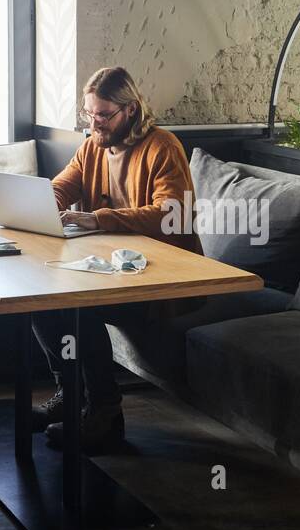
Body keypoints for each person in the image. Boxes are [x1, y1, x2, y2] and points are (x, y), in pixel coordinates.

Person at [33, 66, 199, 453]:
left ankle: (105, 415)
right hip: (111, 272)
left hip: (162, 279)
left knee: (83, 306)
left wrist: (97, 218)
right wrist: (44, 205)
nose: (95, 123)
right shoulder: (93, 145)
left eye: (104, 115)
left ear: (130, 110)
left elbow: (172, 215)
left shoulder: (163, 147)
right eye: (89, 114)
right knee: (39, 297)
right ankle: (70, 393)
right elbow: (62, 185)